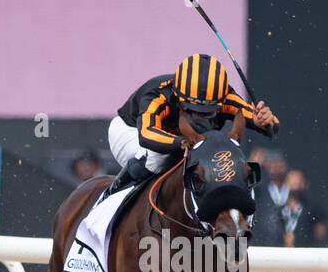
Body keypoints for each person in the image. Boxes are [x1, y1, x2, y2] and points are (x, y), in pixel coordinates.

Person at [104, 53, 279, 197]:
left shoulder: (226, 97)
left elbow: (267, 125)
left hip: (176, 138)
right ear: (178, 95)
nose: (198, 117)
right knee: (157, 158)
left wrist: (265, 122)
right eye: (190, 109)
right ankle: (111, 194)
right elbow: (147, 135)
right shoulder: (158, 94)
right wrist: (181, 143)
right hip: (129, 130)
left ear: (220, 101)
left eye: (207, 112)